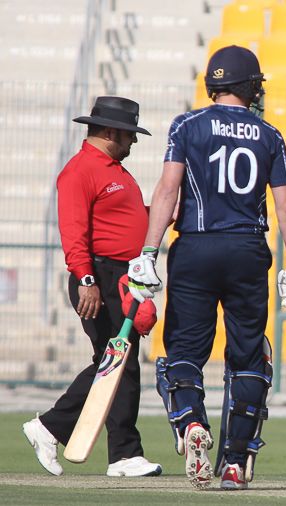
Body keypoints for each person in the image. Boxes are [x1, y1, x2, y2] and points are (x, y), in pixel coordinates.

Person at [127, 45, 286, 491]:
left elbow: (168, 190)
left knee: (184, 351)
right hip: (247, 248)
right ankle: (233, 463)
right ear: (252, 87)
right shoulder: (269, 135)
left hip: (195, 246)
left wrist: (148, 252)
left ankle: (191, 422)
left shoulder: (187, 125)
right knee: (249, 356)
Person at [23, 96, 162, 478]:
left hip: (121, 276)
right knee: (117, 361)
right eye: (130, 134)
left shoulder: (115, 170)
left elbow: (128, 220)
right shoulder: (80, 171)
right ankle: (120, 452)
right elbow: (74, 232)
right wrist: (87, 280)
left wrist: (164, 214)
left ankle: (57, 431)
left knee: (115, 360)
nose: (133, 141)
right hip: (99, 276)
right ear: (112, 132)